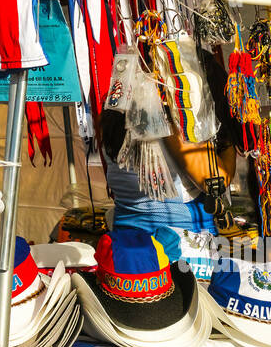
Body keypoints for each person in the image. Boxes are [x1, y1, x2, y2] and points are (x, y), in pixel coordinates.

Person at [99, 48, 241, 236]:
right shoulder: (174, 118)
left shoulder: (119, 108)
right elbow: (216, 181)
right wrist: (225, 137)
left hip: (128, 241)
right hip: (177, 245)